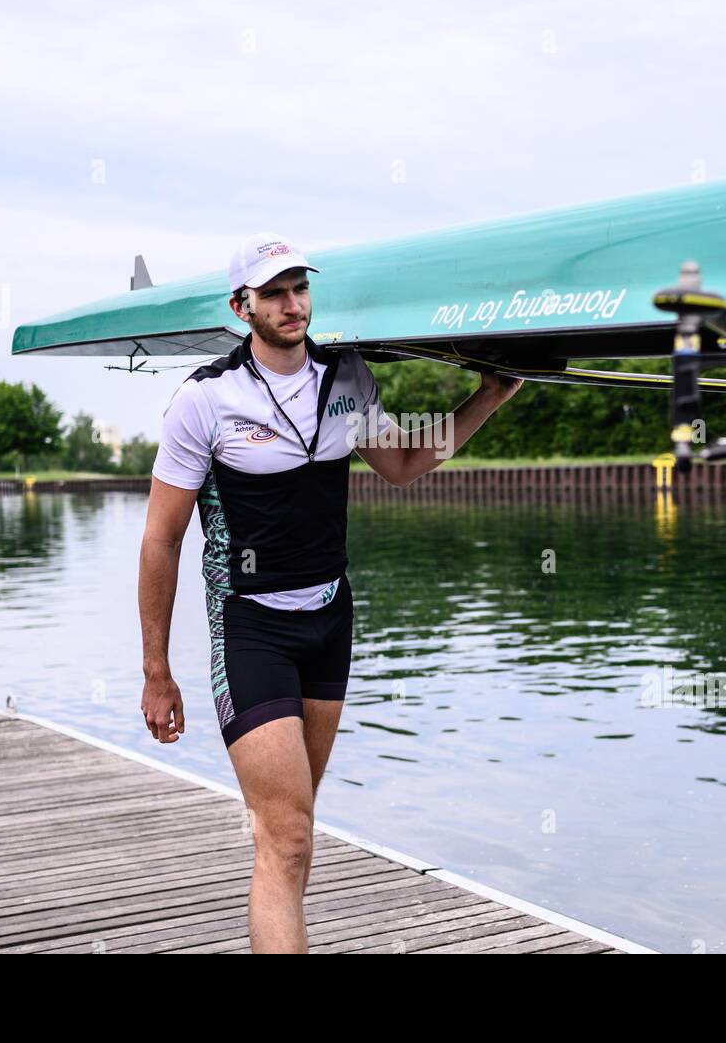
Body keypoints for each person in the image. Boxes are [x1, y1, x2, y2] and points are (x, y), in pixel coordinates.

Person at [138, 231, 522, 953]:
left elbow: (403, 464)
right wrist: (156, 670)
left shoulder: (347, 378)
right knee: (286, 837)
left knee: (292, 835)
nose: (292, 304)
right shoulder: (204, 399)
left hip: (329, 621)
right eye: (274, 293)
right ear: (241, 307)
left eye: (300, 288)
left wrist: (489, 395)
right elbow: (161, 539)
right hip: (251, 627)